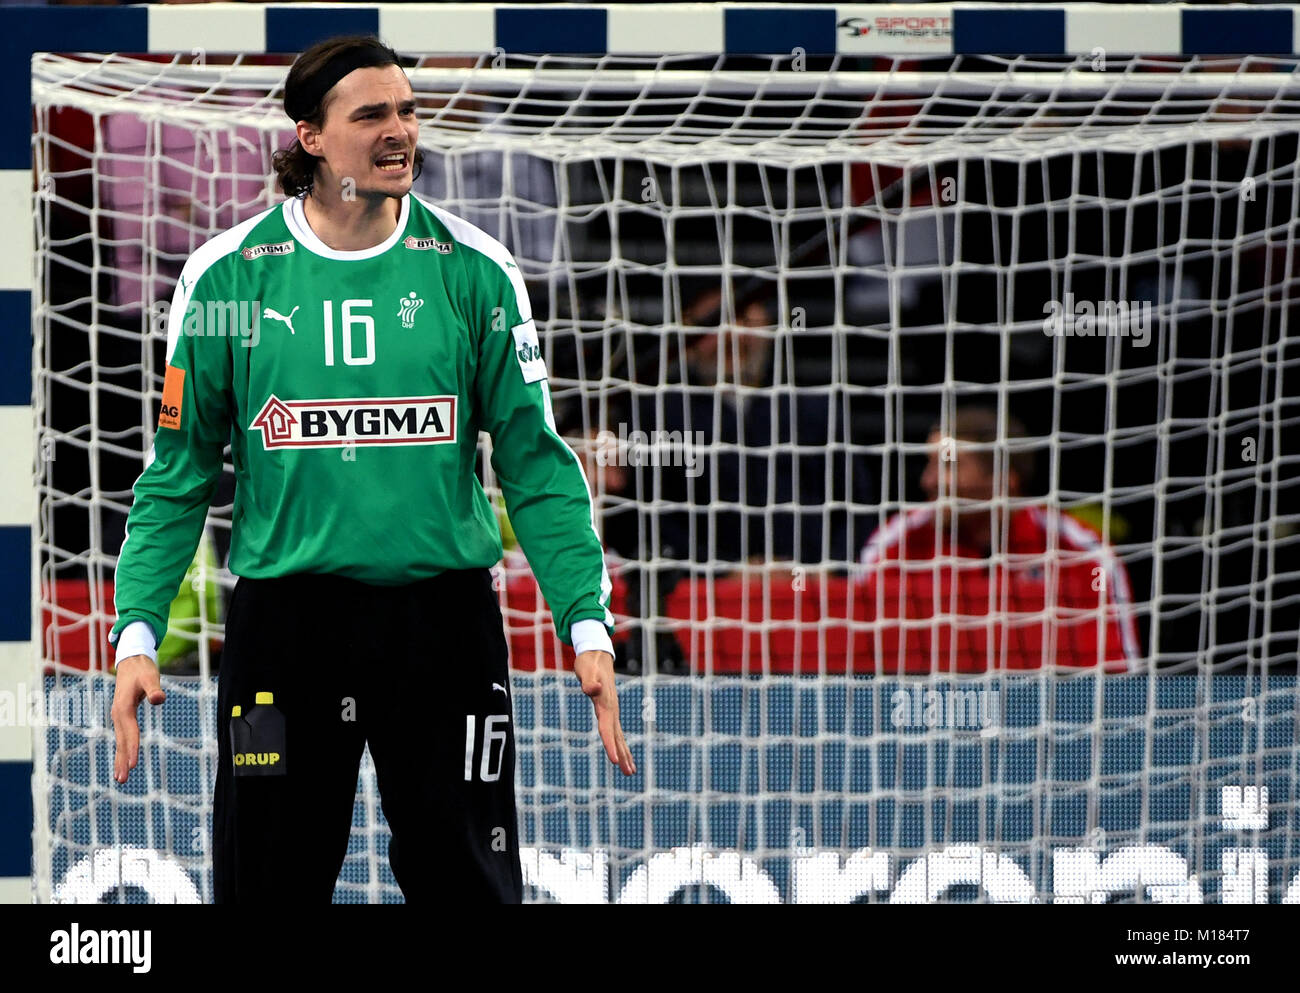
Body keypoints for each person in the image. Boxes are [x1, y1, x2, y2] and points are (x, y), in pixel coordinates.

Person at [107, 35, 634, 905]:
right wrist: (136, 632)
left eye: (408, 110)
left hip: (443, 627)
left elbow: (536, 464)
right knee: (266, 885)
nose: (401, 132)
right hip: (287, 628)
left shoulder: (477, 272)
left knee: (470, 884)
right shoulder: (227, 279)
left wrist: (586, 622)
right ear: (311, 136)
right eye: (373, 114)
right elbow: (177, 475)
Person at [856, 405, 1140, 672]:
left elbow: (1116, 676)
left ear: (1003, 480)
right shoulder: (894, 547)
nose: (928, 482)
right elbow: (859, 664)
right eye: (929, 465)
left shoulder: (1081, 554)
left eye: (948, 466)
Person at [637, 281, 873, 570]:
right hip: (702, 599)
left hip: (814, 598)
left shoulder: (817, 410)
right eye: (713, 322)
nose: (730, 334)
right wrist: (726, 572)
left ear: (768, 326)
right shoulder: (659, 416)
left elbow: (856, 507)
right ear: (685, 337)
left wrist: (828, 570)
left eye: (744, 318)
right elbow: (652, 517)